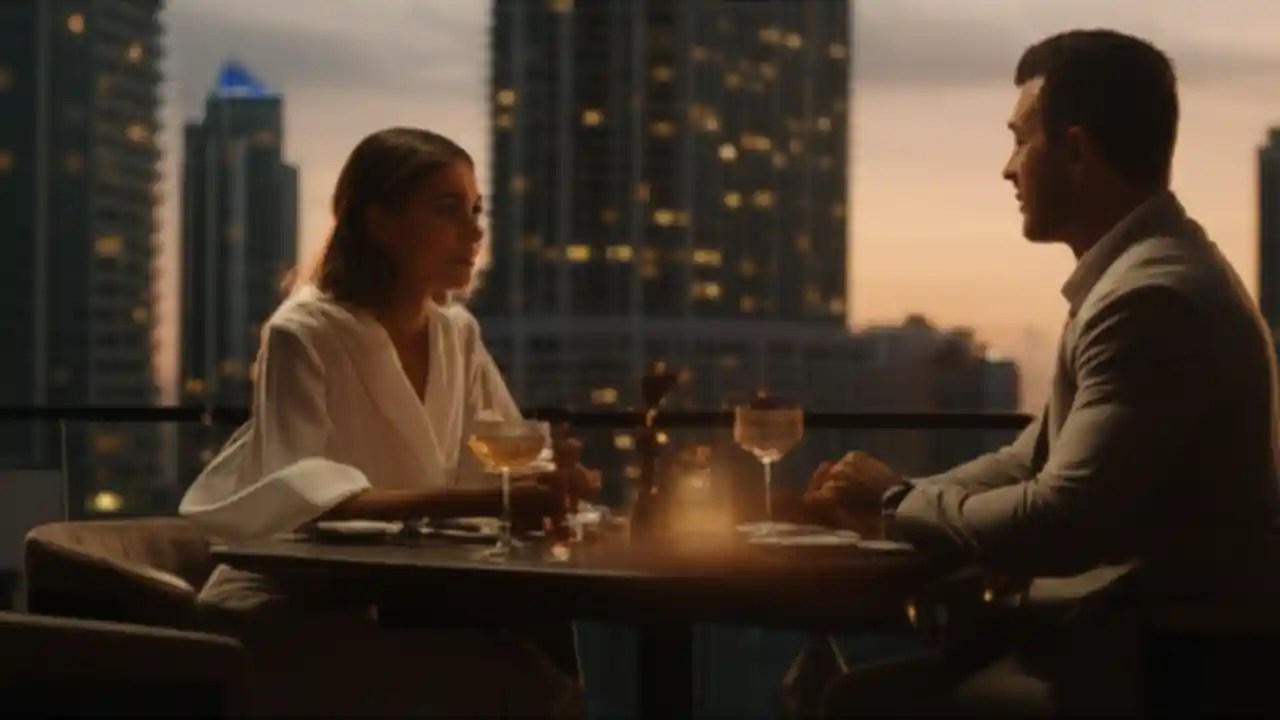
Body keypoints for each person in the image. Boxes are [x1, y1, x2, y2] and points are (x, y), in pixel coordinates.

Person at [806, 29, 1280, 716]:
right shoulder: (1141, 276)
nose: (1008, 168)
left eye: (1021, 140)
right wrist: (903, 501)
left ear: (1078, 152)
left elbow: (1061, 517)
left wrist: (897, 503)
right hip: (1125, 647)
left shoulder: (1153, 298)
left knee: (860, 705)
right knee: (856, 696)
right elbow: (1029, 459)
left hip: (1159, 671)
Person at [179, 127, 589, 717]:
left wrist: (553, 480)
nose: (474, 232)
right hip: (292, 609)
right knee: (530, 687)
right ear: (380, 222)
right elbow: (305, 495)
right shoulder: (304, 333)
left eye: (476, 210)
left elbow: (500, 452)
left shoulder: (456, 333)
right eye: (448, 211)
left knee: (543, 663)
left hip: (410, 596)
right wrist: (489, 502)